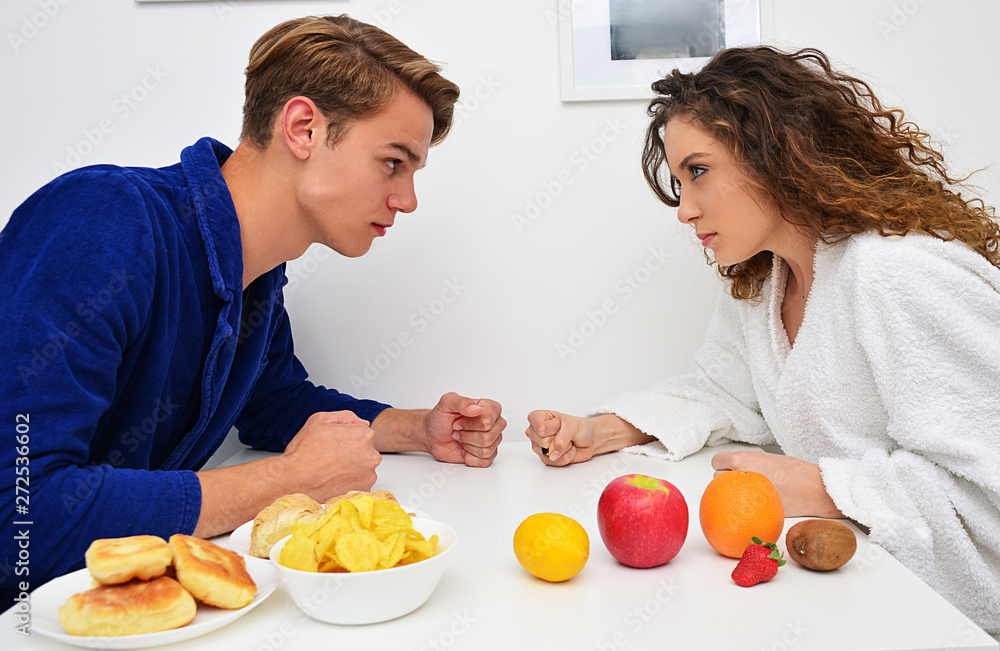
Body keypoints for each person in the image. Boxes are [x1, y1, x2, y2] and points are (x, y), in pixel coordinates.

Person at [0, 15, 505, 609]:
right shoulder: (103, 221)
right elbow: (20, 519)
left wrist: (415, 429)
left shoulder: (256, 274)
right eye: (393, 162)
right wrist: (286, 482)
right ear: (303, 129)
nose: (407, 199)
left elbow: (274, 405)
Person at [526, 46, 1000, 633]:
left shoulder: (898, 273)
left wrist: (823, 487)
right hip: (853, 594)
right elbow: (724, 391)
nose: (683, 208)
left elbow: (989, 485)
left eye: (697, 171)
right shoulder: (767, 282)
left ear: (778, 153)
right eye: (678, 181)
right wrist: (604, 429)